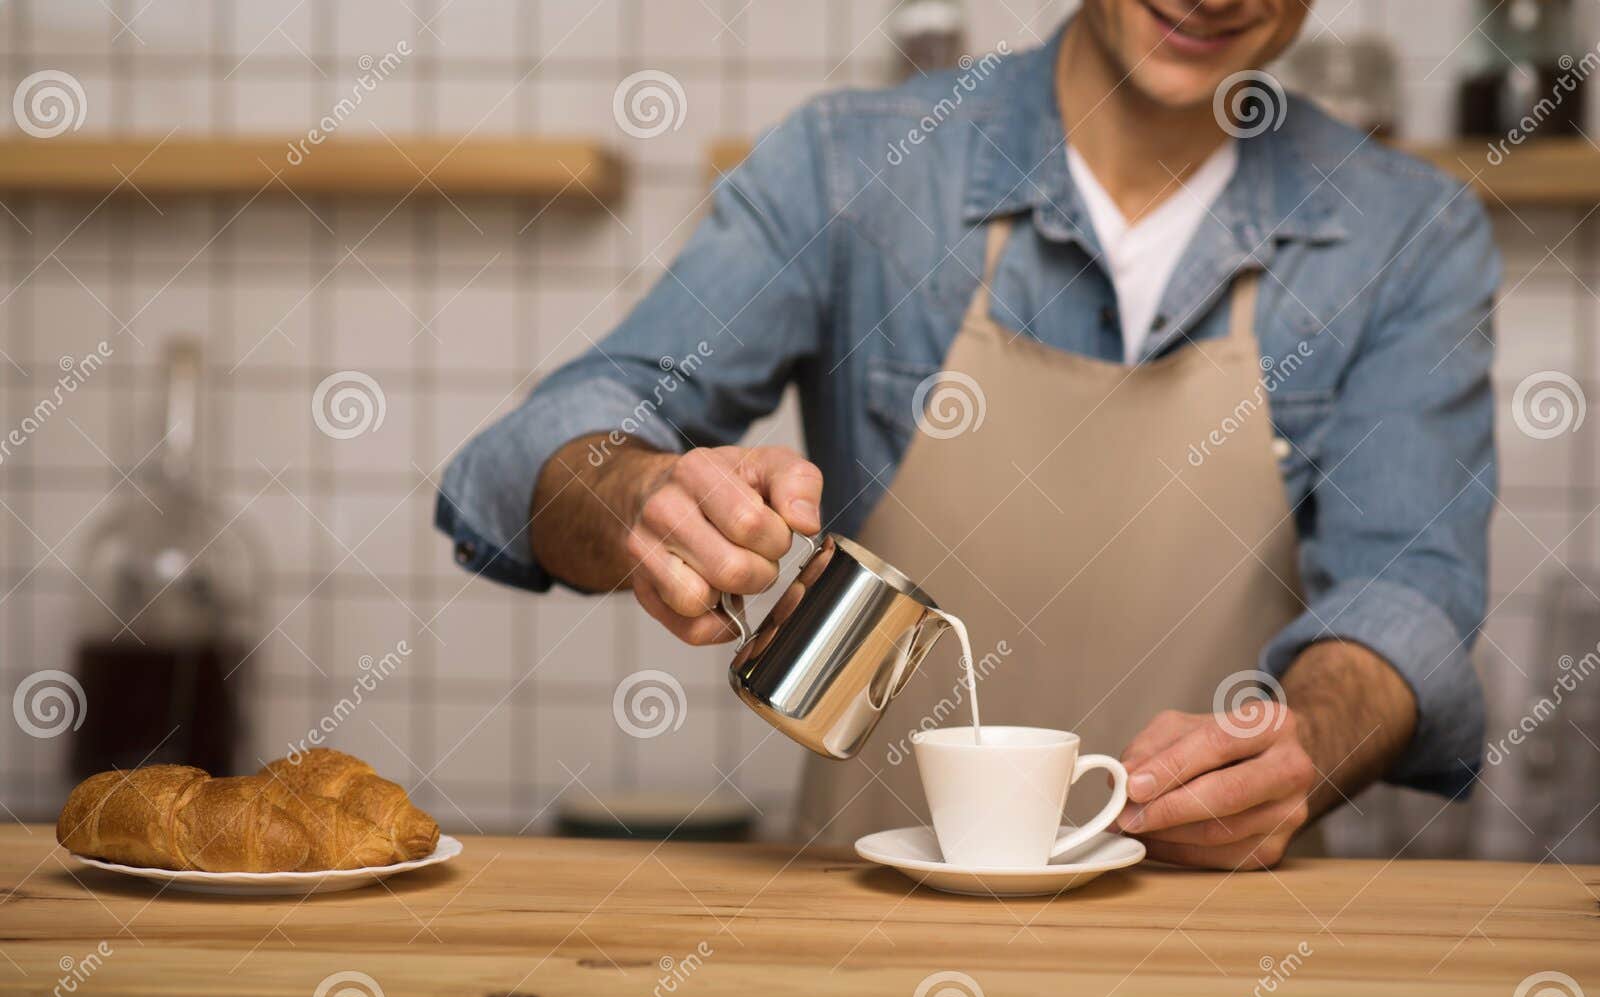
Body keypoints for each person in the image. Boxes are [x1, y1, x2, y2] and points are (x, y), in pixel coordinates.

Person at [436, 0, 1499, 869]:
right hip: (864, 940)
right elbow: (546, 446)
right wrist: (636, 494)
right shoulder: (850, 172)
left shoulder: (1410, 236)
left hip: (1219, 957)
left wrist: (1309, 742)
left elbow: (1409, 593)